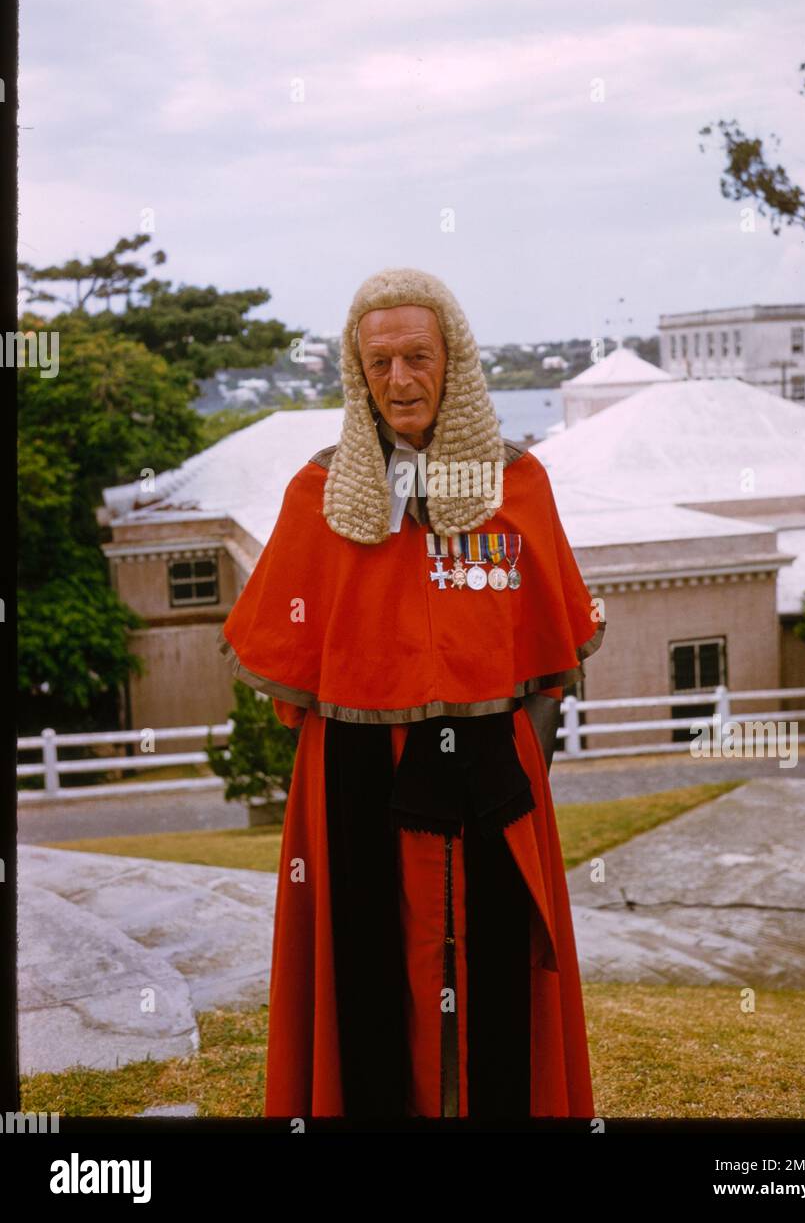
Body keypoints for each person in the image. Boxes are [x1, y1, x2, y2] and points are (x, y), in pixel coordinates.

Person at [219, 267, 606, 1122]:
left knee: (498, 1000)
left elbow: (551, 662)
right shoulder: (318, 497)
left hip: (494, 791)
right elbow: (291, 683)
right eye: (380, 361)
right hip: (356, 783)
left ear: (453, 360)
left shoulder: (519, 488)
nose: (399, 380)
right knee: (369, 993)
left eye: (417, 357)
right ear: (357, 373)